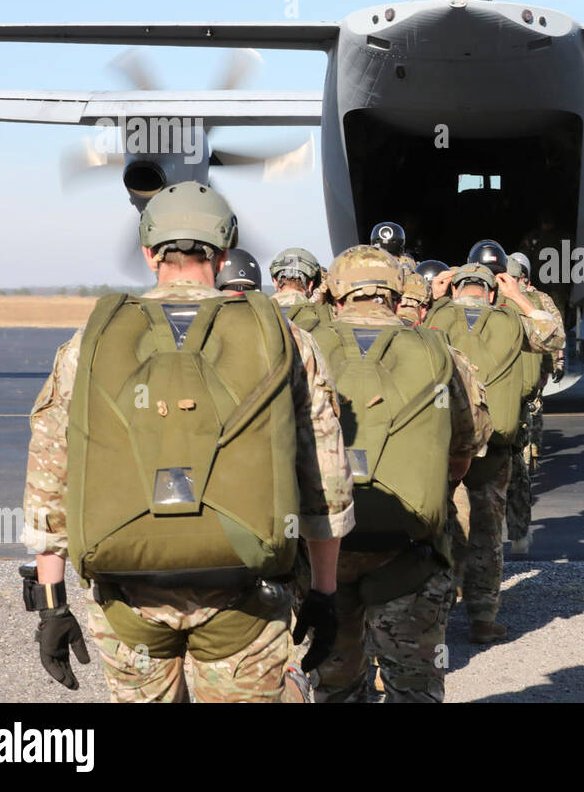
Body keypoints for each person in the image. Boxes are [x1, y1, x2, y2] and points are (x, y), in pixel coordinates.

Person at [22, 182, 353, 703]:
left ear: (150, 252)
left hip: (126, 596)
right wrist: (325, 594)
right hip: (246, 596)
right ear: (223, 255)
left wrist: (51, 603)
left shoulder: (91, 341)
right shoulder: (285, 338)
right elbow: (325, 483)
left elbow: (49, 478)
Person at [308, 246, 490, 701]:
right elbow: (468, 443)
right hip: (408, 554)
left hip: (317, 552)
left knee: (334, 684)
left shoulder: (301, 345)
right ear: (395, 290)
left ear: (335, 290)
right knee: (413, 687)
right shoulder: (436, 349)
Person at [423, 259, 562, 643]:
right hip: (493, 444)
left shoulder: (432, 319)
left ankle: (435, 613)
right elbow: (552, 337)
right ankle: (483, 619)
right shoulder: (511, 321)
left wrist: (431, 296)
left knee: (436, 527)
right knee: (487, 529)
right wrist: (518, 296)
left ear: (456, 288)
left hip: (441, 444)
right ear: (492, 290)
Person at [497, 250, 565, 555]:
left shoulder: (491, 301)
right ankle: (519, 535)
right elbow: (554, 335)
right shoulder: (535, 302)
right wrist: (552, 367)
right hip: (523, 392)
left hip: (498, 393)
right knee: (518, 466)